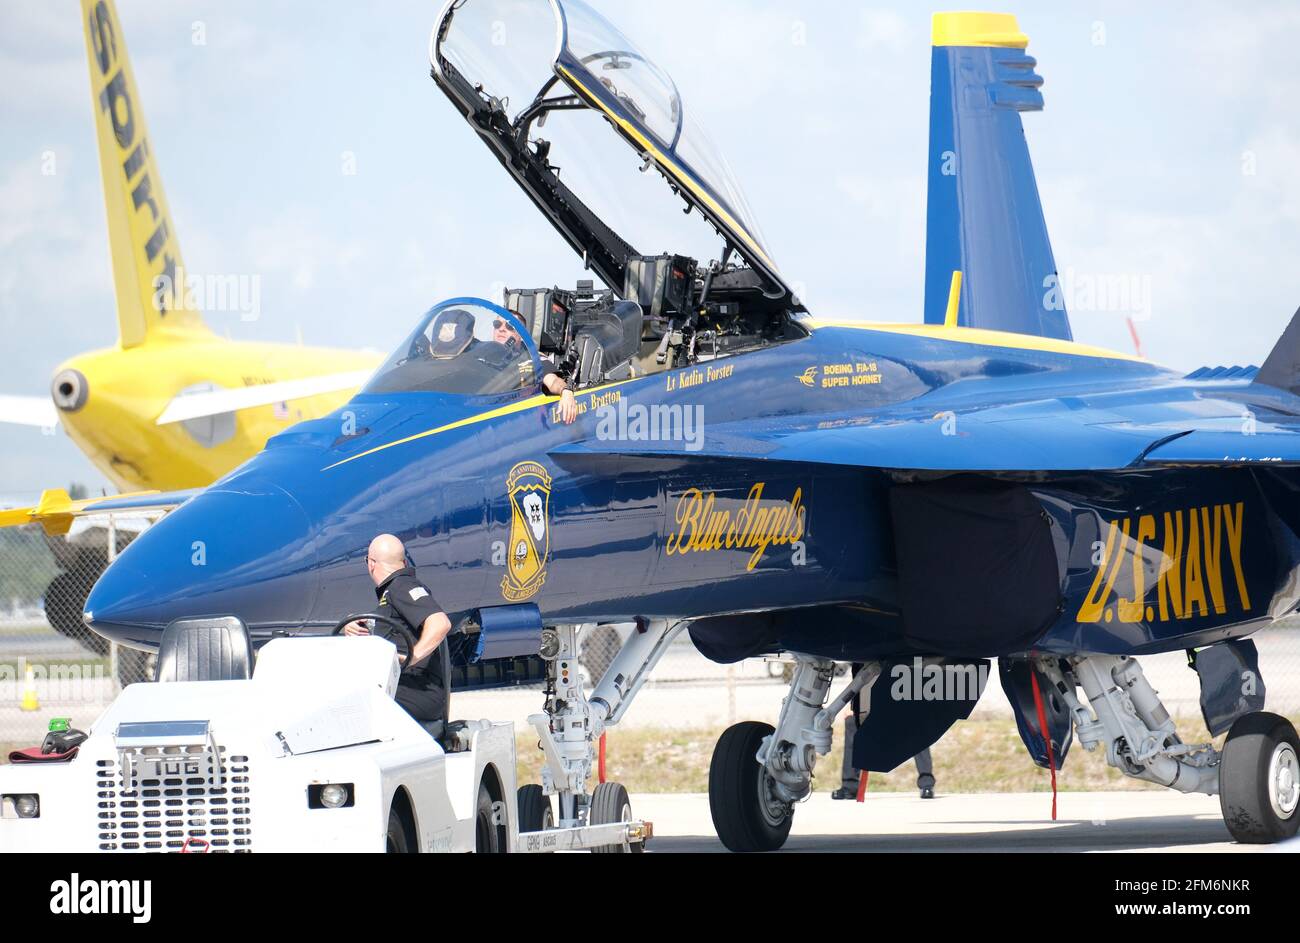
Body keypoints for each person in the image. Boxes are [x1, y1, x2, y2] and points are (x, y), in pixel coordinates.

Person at [343, 534, 453, 728]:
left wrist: (412, 657)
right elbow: (394, 626)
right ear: (403, 561)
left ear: (371, 563)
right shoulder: (393, 592)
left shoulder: (402, 585)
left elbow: (440, 623)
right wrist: (354, 623)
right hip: (408, 687)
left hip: (415, 689)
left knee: (344, 703)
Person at [833, 711, 937, 800]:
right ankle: (849, 786)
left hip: (900, 698)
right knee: (852, 720)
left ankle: (926, 783)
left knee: (916, 719)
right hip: (872, 702)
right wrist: (854, 705)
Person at [498, 313, 578, 424]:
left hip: (516, 420)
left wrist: (566, 391)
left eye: (509, 326)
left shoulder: (532, 358)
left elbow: (553, 381)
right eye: (497, 324)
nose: (501, 329)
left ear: (521, 334)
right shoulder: (479, 355)